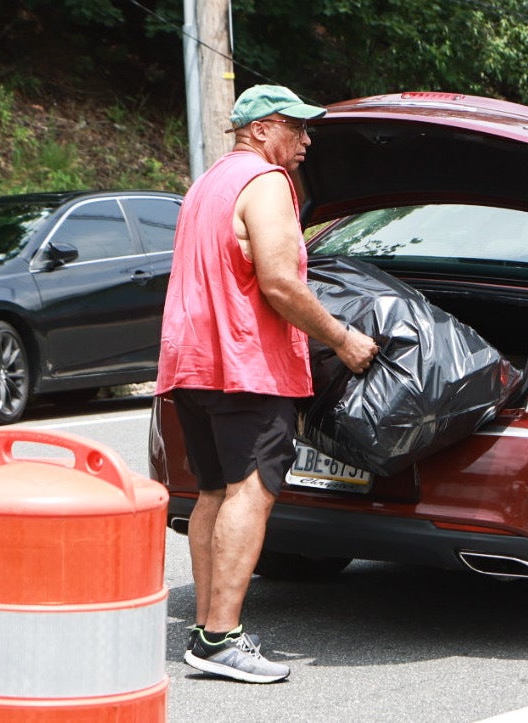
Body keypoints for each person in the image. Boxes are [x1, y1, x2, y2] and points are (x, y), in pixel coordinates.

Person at [155, 84, 379, 683]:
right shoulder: (267, 183)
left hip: (193, 364)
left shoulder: (206, 184)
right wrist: (342, 338)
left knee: (212, 493)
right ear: (260, 129)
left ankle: (207, 627)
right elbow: (280, 283)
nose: (306, 142)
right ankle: (221, 638)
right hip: (245, 366)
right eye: (296, 128)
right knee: (250, 493)